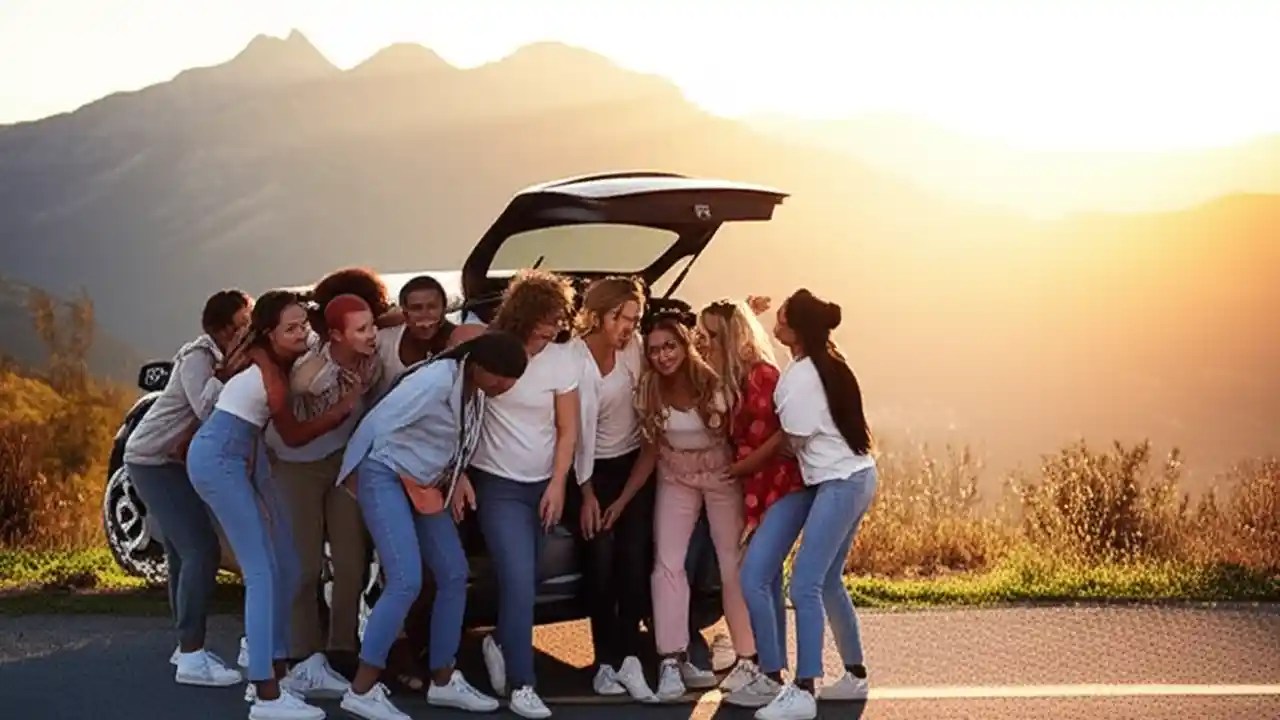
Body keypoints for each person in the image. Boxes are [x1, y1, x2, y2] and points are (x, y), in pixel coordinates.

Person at [185, 290, 361, 720]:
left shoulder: (269, 357)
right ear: (269, 332)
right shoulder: (271, 375)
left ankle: (276, 674)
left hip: (247, 453)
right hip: (220, 457)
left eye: (304, 325)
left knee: (284, 563)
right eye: (292, 328)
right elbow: (296, 434)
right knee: (262, 571)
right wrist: (343, 409)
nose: (302, 333)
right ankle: (265, 694)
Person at [336, 332, 529, 720]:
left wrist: (451, 480)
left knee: (454, 573)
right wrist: (414, 487)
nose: (505, 387)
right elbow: (383, 428)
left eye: (513, 380)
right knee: (405, 579)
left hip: (424, 480)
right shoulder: (436, 379)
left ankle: (443, 680)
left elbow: (453, 443)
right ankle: (362, 689)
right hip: (386, 472)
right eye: (501, 378)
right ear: (478, 365)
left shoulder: (473, 388)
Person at [601, 309, 756, 701]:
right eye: (653, 350)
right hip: (676, 476)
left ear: (686, 345)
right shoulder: (650, 389)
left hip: (721, 476)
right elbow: (650, 452)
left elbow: (743, 437)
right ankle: (670, 658)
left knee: (730, 562)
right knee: (667, 563)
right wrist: (622, 499)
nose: (662, 356)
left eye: (670, 346)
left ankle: (748, 658)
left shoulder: (713, 383)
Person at [751, 289, 878, 720]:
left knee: (803, 582)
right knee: (826, 582)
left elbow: (791, 442)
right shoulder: (826, 362)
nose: (777, 321)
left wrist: (744, 466)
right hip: (857, 475)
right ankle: (855, 674)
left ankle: (803, 689)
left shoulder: (802, 375)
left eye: (783, 316)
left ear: (796, 330)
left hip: (840, 483)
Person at [464, 269, 578, 719]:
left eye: (559, 319)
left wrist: (557, 484)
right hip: (499, 486)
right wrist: (461, 475)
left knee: (526, 582)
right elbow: (462, 415)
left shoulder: (561, 359)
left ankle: (498, 641)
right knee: (517, 580)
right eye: (548, 319)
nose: (554, 328)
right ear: (525, 315)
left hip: (542, 486)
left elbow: (567, 430)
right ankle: (522, 684)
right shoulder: (492, 350)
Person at [124, 289, 252, 687]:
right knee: (201, 549)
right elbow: (207, 408)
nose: (248, 331)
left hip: (174, 461)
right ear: (221, 330)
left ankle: (187, 647)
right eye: (242, 324)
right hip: (152, 460)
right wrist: (231, 375)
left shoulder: (215, 358)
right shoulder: (198, 358)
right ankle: (193, 655)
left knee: (183, 552)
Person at [265, 292, 381, 697]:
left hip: (344, 464)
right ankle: (302, 653)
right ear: (335, 335)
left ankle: (342, 649)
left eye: (373, 325)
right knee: (305, 563)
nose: (372, 335)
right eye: (362, 329)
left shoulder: (372, 357)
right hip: (297, 468)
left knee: (352, 561)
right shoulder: (311, 368)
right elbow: (299, 386)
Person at [698, 298, 809, 709]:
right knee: (764, 579)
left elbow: (778, 438)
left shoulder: (762, 375)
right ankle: (765, 664)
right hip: (754, 486)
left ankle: (767, 668)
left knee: (754, 576)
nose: (703, 342)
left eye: (711, 336)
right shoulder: (729, 377)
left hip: (777, 484)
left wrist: (744, 468)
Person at [565, 277, 657, 702]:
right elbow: (573, 435)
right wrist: (587, 496)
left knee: (633, 562)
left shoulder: (635, 349)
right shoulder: (572, 357)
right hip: (586, 472)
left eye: (635, 320)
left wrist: (623, 500)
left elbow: (648, 431)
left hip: (632, 467)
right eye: (623, 320)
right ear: (600, 314)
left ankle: (630, 660)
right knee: (599, 561)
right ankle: (605, 663)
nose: (629, 329)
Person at [374, 274, 485, 399]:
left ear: (443, 310)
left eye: (432, 307)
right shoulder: (384, 341)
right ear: (405, 313)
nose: (425, 315)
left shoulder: (462, 342)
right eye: (416, 308)